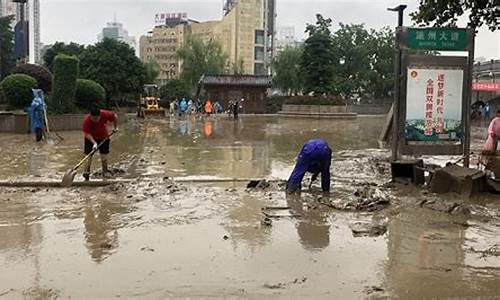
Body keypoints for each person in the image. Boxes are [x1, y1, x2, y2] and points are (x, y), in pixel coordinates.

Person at [82, 106, 118, 181]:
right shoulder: (86, 121)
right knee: (88, 156)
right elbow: (86, 133)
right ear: (90, 116)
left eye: (96, 118)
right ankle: (86, 173)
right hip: (90, 138)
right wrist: (94, 143)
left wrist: (115, 127)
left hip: (103, 137)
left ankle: (105, 172)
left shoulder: (104, 114)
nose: (95, 120)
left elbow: (115, 116)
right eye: (93, 118)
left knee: (104, 156)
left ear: (100, 116)